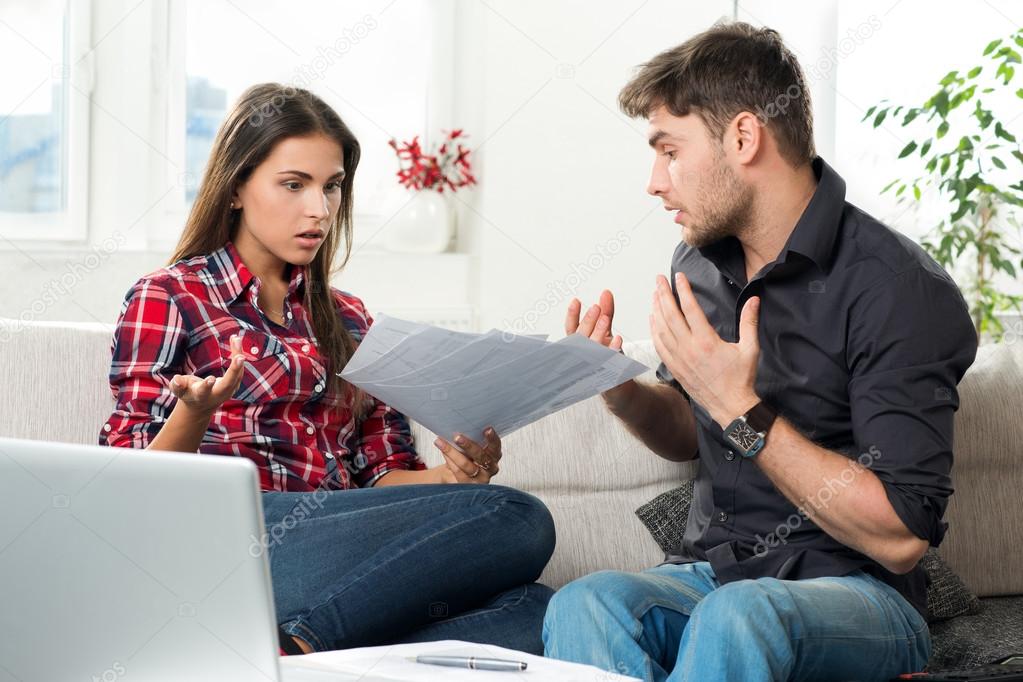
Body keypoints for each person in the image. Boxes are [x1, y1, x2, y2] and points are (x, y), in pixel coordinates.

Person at [543, 22, 978, 681]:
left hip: (858, 596)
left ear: (743, 138)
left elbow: (900, 536)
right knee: (587, 604)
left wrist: (738, 408)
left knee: (739, 617)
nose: (653, 182)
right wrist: (620, 390)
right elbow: (690, 430)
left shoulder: (897, 290)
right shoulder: (697, 260)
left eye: (669, 151)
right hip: (713, 575)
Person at [99, 83, 555, 656]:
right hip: (233, 540)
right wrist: (194, 415)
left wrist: (453, 481)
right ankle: (303, 647)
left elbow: (382, 480)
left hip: (333, 548)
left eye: (332, 186)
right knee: (519, 517)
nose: (318, 209)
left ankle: (301, 653)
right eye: (293, 185)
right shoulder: (169, 295)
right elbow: (126, 494)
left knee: (537, 610)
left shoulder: (351, 318)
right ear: (237, 186)